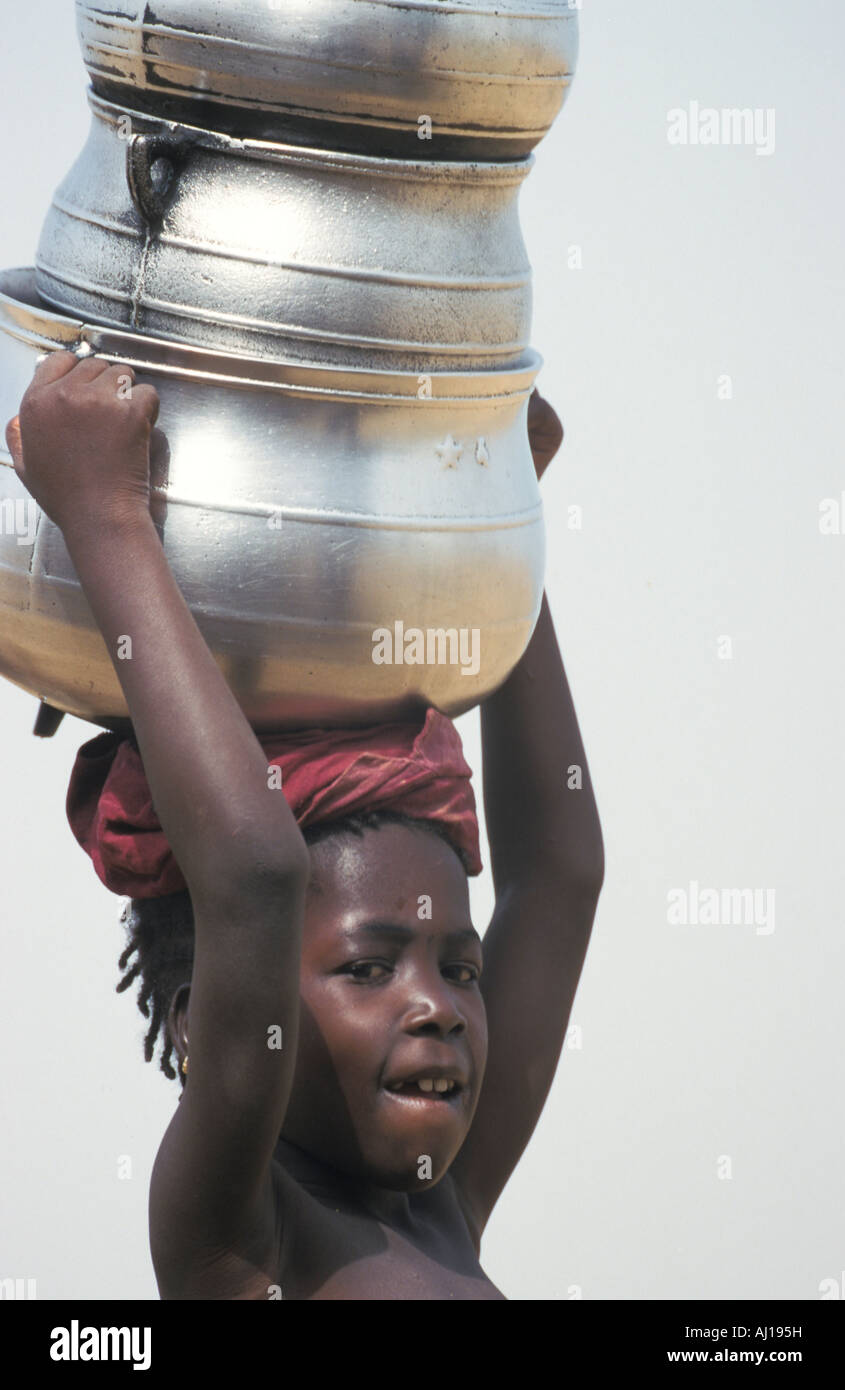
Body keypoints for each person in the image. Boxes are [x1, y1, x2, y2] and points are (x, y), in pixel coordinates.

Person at [6, 360, 604, 1300]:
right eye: (369, 968)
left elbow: (560, 876)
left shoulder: (444, 1207)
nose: (438, 1005)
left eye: (461, 966)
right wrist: (105, 519)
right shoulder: (240, 1237)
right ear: (207, 1022)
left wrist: (499, 520)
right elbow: (253, 878)